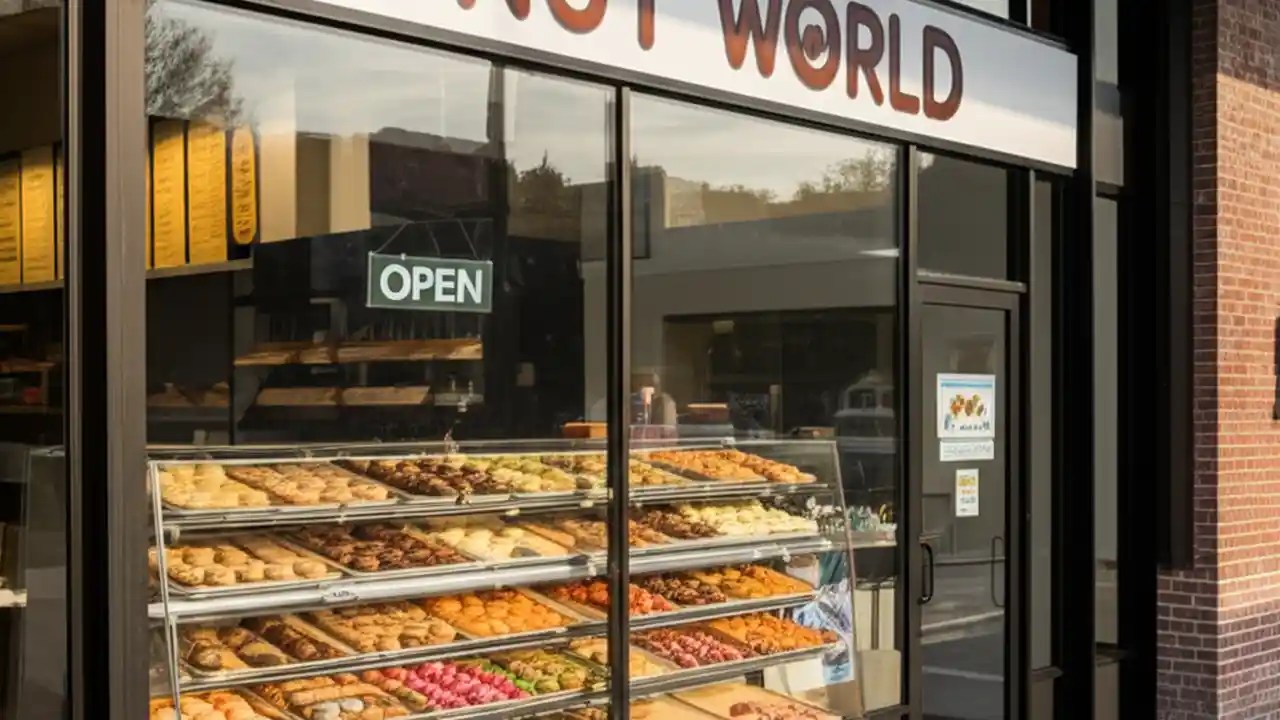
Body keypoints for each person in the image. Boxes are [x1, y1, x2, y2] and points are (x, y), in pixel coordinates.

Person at [587, 368, 678, 427]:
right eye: (639, 383)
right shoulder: (602, 406)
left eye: (650, 383)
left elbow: (669, 436)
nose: (643, 389)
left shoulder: (666, 403)